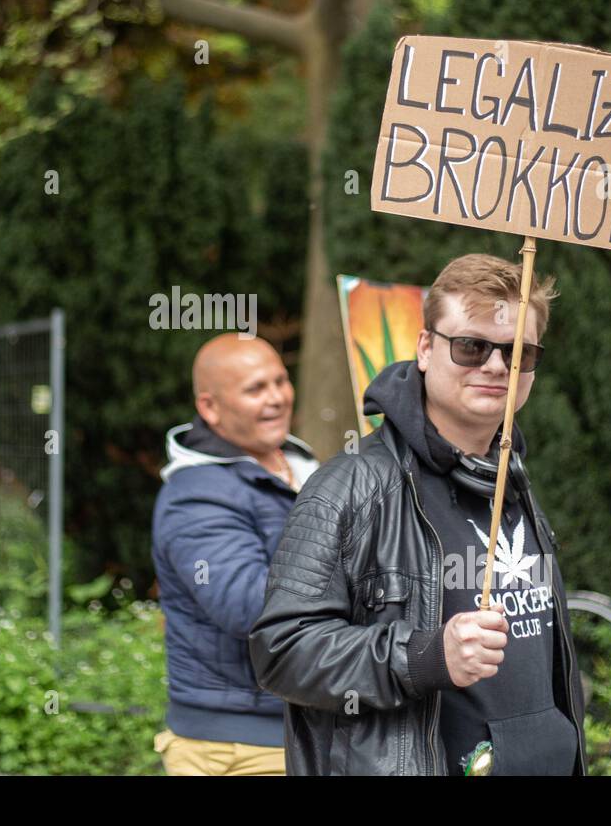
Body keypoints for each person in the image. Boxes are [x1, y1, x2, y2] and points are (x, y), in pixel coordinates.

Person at [249, 253, 588, 776]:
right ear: (426, 348)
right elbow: (282, 652)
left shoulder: (511, 478)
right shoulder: (352, 485)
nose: (497, 366)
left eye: (519, 351)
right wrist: (422, 657)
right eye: (472, 346)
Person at [150, 333, 319, 776]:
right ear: (210, 408)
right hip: (235, 746)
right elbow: (250, 607)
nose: (277, 398)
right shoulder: (196, 495)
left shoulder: (303, 466)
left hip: (301, 730)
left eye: (281, 381)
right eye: (255, 389)